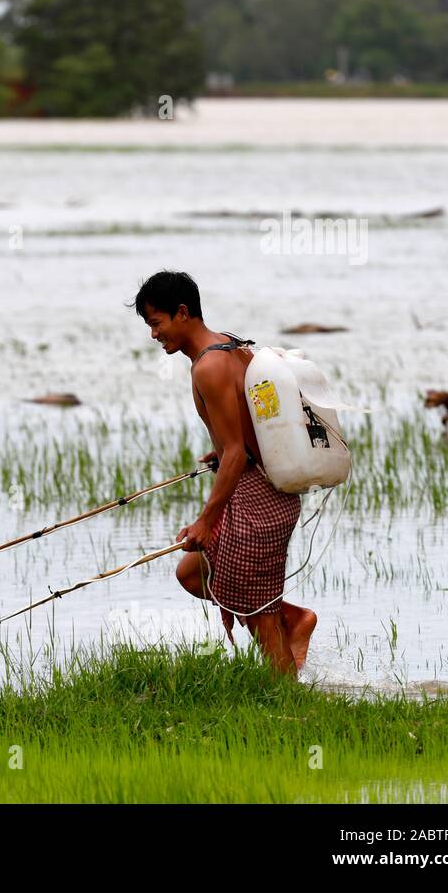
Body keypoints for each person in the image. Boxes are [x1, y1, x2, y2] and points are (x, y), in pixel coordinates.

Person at [131, 270, 317, 675]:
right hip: (261, 489)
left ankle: (287, 702)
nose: (154, 335)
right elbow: (244, 435)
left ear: (183, 313)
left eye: (156, 323)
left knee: (259, 612)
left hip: (258, 500)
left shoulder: (208, 367)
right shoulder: (232, 346)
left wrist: (205, 521)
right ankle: (294, 618)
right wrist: (223, 451)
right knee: (193, 573)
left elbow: (235, 453)